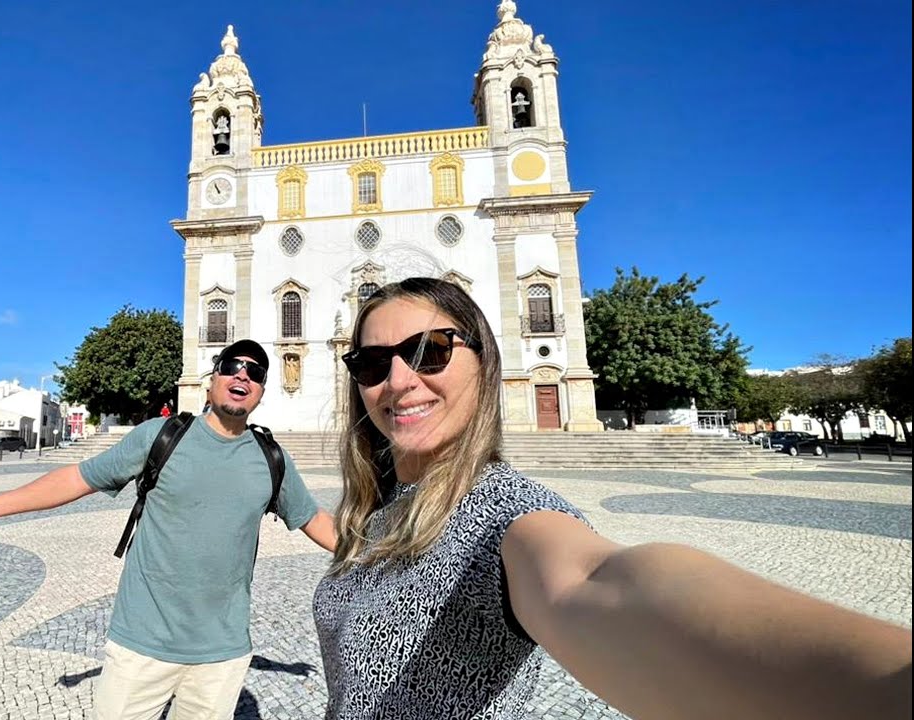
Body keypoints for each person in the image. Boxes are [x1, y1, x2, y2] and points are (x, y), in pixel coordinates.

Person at [313, 277, 911, 720]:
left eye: (429, 351)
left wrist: (881, 684)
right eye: (370, 363)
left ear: (485, 362)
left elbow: (596, 581)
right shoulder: (384, 507)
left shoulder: (505, 515)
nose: (397, 380)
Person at [0, 339, 336, 720]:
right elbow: (77, 478)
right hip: (141, 645)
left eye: (256, 371)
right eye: (232, 366)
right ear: (213, 380)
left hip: (221, 656)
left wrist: (385, 554)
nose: (242, 375)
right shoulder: (162, 436)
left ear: (262, 390)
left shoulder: (270, 459)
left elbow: (315, 519)